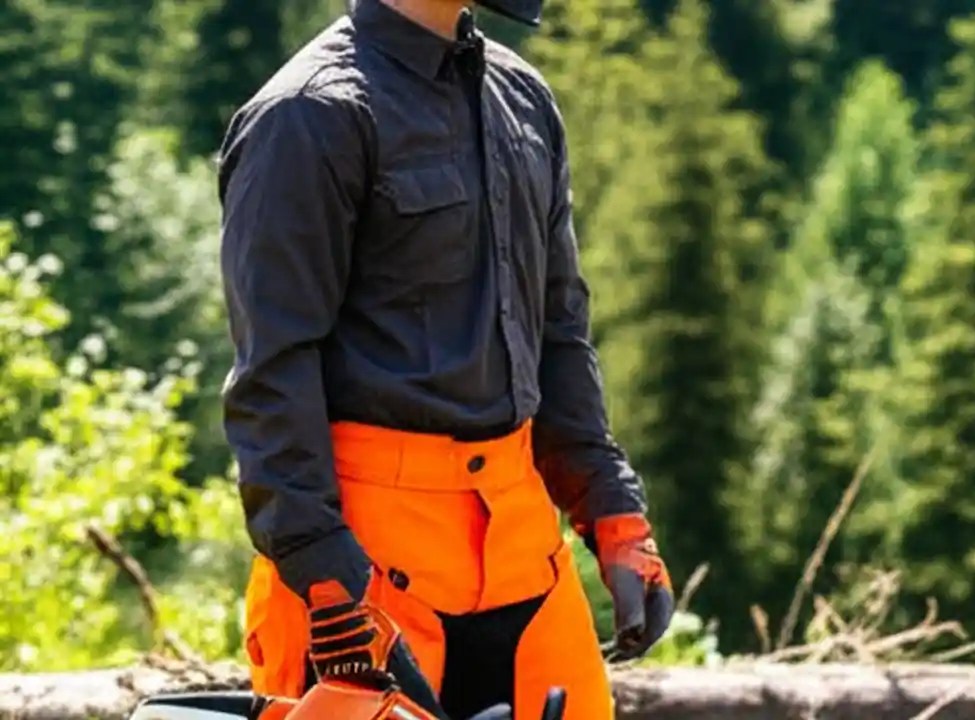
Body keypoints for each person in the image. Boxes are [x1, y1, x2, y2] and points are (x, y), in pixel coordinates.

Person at [216, 0, 674, 717]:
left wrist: (612, 510)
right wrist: (323, 573)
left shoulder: (521, 97)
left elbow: (557, 331)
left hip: (526, 553)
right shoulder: (305, 117)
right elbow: (273, 370)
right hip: (367, 570)